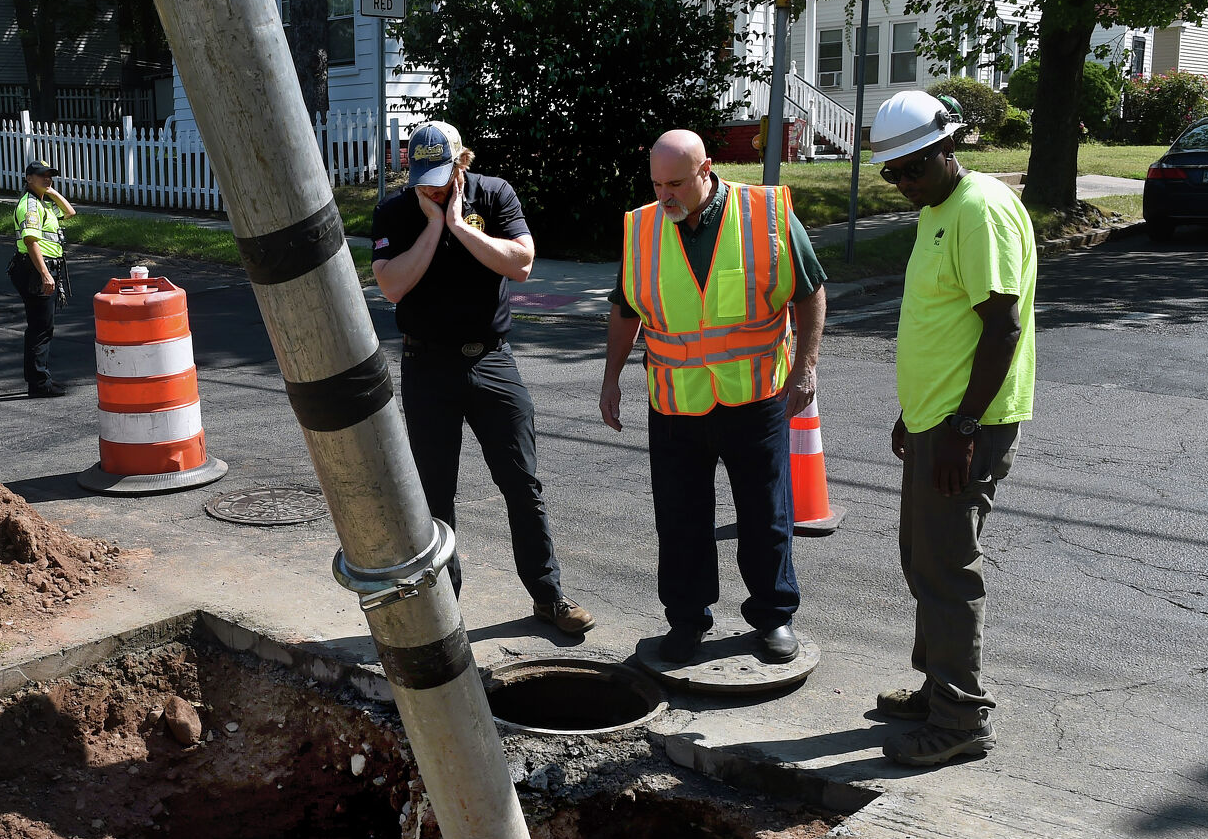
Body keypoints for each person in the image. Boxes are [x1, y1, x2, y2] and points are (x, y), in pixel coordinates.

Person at [600, 129, 828, 665]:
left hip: (754, 398)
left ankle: (774, 618)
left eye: (676, 183)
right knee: (679, 520)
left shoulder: (764, 215)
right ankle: (685, 623)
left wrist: (807, 367)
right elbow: (626, 307)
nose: (666, 196)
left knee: (763, 514)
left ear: (707, 171)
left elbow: (810, 288)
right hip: (677, 403)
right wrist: (611, 379)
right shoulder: (643, 227)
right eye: (657, 185)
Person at [371, 121, 595, 635]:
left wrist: (461, 226)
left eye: (441, 176)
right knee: (434, 495)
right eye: (420, 178)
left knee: (522, 482)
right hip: (427, 365)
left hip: (491, 360)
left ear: (462, 164)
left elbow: (522, 264)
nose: (429, 187)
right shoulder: (396, 210)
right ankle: (443, 610)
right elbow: (392, 287)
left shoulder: (494, 195)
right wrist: (434, 225)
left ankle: (549, 596)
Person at [867, 90, 1035, 766]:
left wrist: (964, 425)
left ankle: (961, 719)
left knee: (948, 571)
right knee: (923, 558)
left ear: (947, 149)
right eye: (892, 174)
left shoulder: (979, 210)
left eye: (913, 168)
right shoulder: (938, 210)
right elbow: (945, 325)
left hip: (969, 424)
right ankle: (939, 688)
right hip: (938, 420)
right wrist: (916, 412)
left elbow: (1002, 325)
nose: (904, 183)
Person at [9, 159, 75, 397]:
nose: (47, 179)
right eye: (41, 176)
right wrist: (45, 274)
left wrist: (51, 191)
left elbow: (69, 212)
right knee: (40, 328)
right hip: (36, 270)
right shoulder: (30, 206)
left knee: (43, 326)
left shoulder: (42, 202)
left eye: (50, 176)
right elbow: (31, 241)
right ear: (28, 179)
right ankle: (38, 384)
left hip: (43, 268)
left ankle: (40, 379)